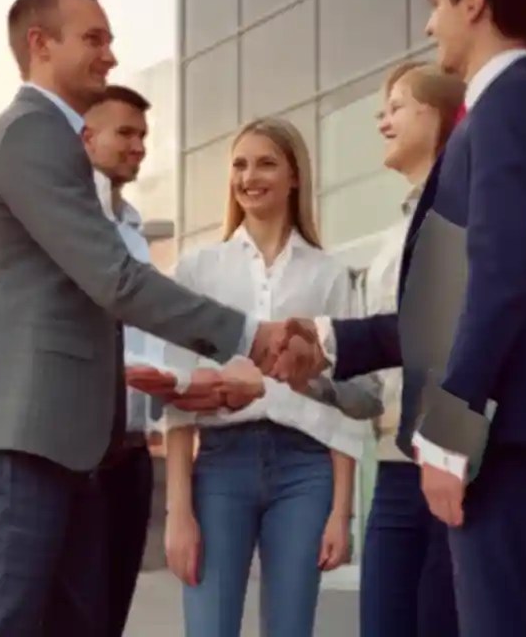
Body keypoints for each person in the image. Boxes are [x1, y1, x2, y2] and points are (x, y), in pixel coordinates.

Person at [0, 0, 291, 637]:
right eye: (93, 38)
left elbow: (93, 299)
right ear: (41, 45)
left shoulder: (53, 140)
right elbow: (116, 281)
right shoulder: (30, 135)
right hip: (14, 434)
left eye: (110, 39)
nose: (110, 55)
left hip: (58, 439)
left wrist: (190, 382)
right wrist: (249, 334)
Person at [274, 0, 526, 636]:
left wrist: (449, 438)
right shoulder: (492, 118)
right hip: (495, 436)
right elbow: (442, 309)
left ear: (473, 2)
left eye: (435, 2)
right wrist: (326, 338)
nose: (427, 22)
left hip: (502, 438)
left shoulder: (514, 107)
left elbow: (500, 283)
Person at [156, 117, 371, 637]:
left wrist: (341, 511)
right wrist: (178, 512)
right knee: (209, 629)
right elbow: (178, 399)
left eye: (266, 163)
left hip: (306, 470)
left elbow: (345, 399)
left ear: (295, 176)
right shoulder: (199, 269)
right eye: (240, 164)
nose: (250, 176)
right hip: (220, 469)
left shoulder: (329, 274)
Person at [358, 61, 465, 637]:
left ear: (438, 116)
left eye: (396, 106)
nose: (383, 121)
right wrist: (304, 376)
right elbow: (382, 368)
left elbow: (456, 333)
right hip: (396, 469)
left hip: (452, 462)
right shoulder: (392, 237)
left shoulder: (465, 210)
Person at [81, 83, 163, 637]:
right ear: (85, 138)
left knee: (111, 616)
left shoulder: (135, 233)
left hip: (132, 451)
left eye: (143, 136)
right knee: (74, 615)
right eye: (125, 133)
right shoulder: (67, 221)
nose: (137, 147)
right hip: (79, 452)